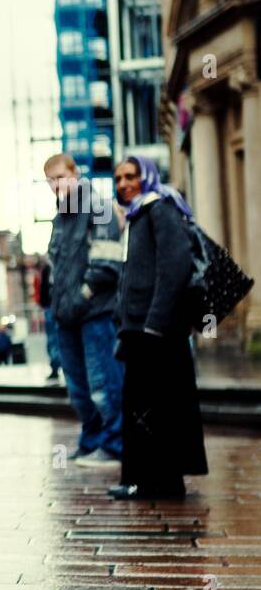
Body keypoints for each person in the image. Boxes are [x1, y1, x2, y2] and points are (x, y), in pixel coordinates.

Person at [108, 156, 207, 500]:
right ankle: (150, 480)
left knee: (156, 407)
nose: (123, 184)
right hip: (139, 329)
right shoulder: (137, 215)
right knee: (143, 407)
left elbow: (175, 267)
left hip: (157, 330)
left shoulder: (159, 209)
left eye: (131, 176)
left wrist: (155, 322)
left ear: (146, 176)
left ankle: (157, 481)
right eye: (118, 178)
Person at [44, 152, 124, 469]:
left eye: (61, 177)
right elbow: (56, 265)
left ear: (75, 174)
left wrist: (82, 295)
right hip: (65, 316)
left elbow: (106, 264)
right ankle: (92, 441)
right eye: (50, 180)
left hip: (96, 312)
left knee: (103, 382)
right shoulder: (60, 216)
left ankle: (115, 444)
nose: (56, 185)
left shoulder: (98, 206)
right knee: (78, 388)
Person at [37, 261, 63, 383]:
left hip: (52, 308)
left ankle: (55, 368)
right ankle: (57, 368)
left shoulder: (48, 267)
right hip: (58, 308)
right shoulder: (52, 266)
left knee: (53, 341)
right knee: (57, 340)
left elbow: (42, 290)